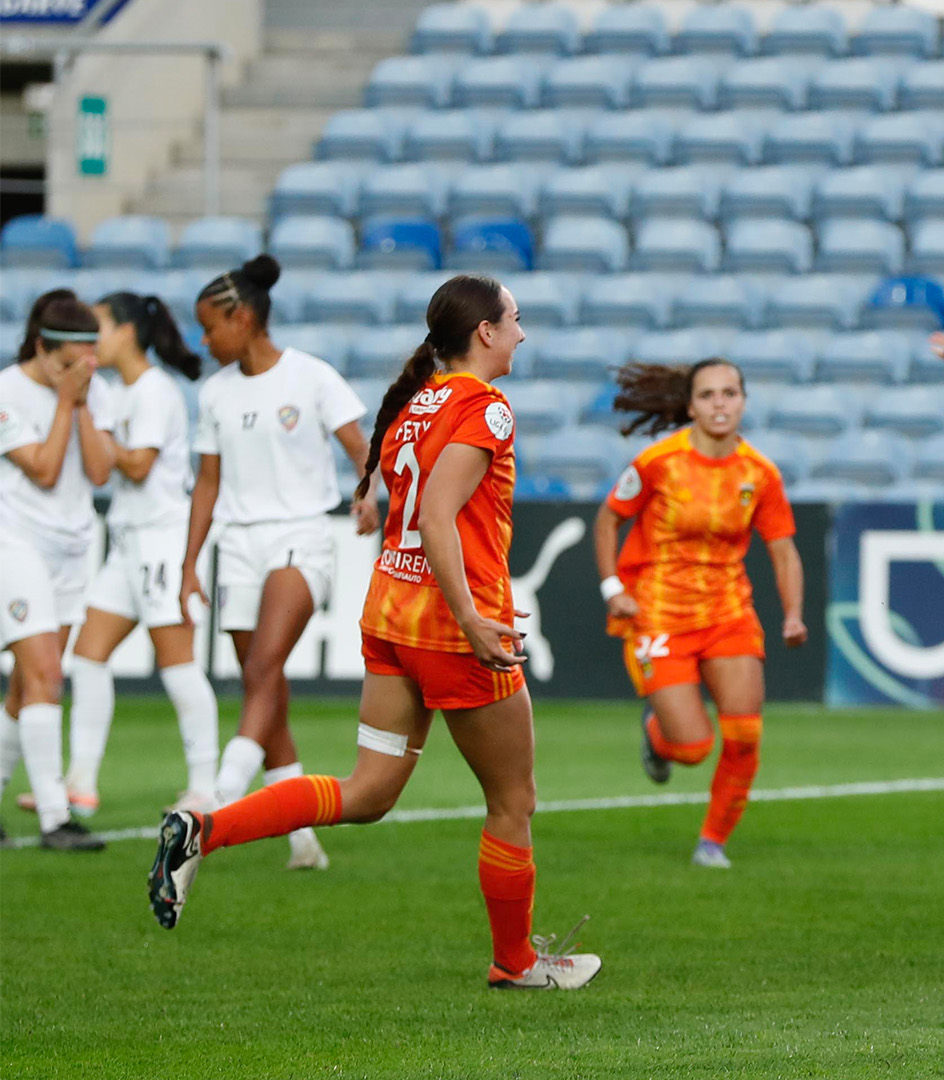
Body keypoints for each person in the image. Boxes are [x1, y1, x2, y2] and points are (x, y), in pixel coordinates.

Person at [148, 274, 602, 990]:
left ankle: (205, 829)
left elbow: (410, 514)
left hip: (391, 618)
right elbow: (436, 517)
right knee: (513, 803)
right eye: (514, 319)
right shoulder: (487, 408)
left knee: (367, 793)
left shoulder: (417, 403)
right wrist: (472, 621)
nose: (521, 331)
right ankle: (514, 961)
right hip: (454, 632)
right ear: (484, 332)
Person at [179, 255, 374, 871]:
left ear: (243, 319)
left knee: (264, 666)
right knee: (267, 686)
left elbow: (360, 449)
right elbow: (207, 483)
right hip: (237, 544)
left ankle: (219, 795)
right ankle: (303, 839)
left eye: (210, 328)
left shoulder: (311, 377)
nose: (203, 341)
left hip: (302, 535)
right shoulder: (213, 393)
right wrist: (189, 562)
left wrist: (370, 492)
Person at [594, 358, 806, 870]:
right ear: (690, 405)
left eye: (729, 393)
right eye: (708, 395)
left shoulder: (760, 473)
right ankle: (656, 735)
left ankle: (713, 841)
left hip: (728, 612)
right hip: (659, 613)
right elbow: (607, 521)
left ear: (743, 401)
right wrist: (612, 588)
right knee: (691, 748)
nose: (719, 404)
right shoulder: (657, 462)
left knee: (744, 734)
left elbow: (782, 550)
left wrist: (793, 614)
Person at [60, 293, 220, 818]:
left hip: (160, 540)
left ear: (126, 331)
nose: (92, 340)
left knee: (176, 664)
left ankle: (205, 783)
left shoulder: (155, 392)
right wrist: (84, 408)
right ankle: (80, 781)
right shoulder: (116, 392)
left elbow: (136, 466)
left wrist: (89, 417)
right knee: (87, 657)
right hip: (127, 540)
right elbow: (107, 467)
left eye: (99, 327)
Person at [0, 291, 114, 849]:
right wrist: (68, 403)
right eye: (69, 361)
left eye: (89, 360)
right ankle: (53, 818)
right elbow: (43, 470)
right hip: (15, 542)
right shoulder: (6, 391)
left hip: (72, 546)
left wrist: (85, 401)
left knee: (28, 686)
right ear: (42, 349)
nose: (81, 372)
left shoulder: (96, 393)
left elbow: (97, 472)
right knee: (47, 674)